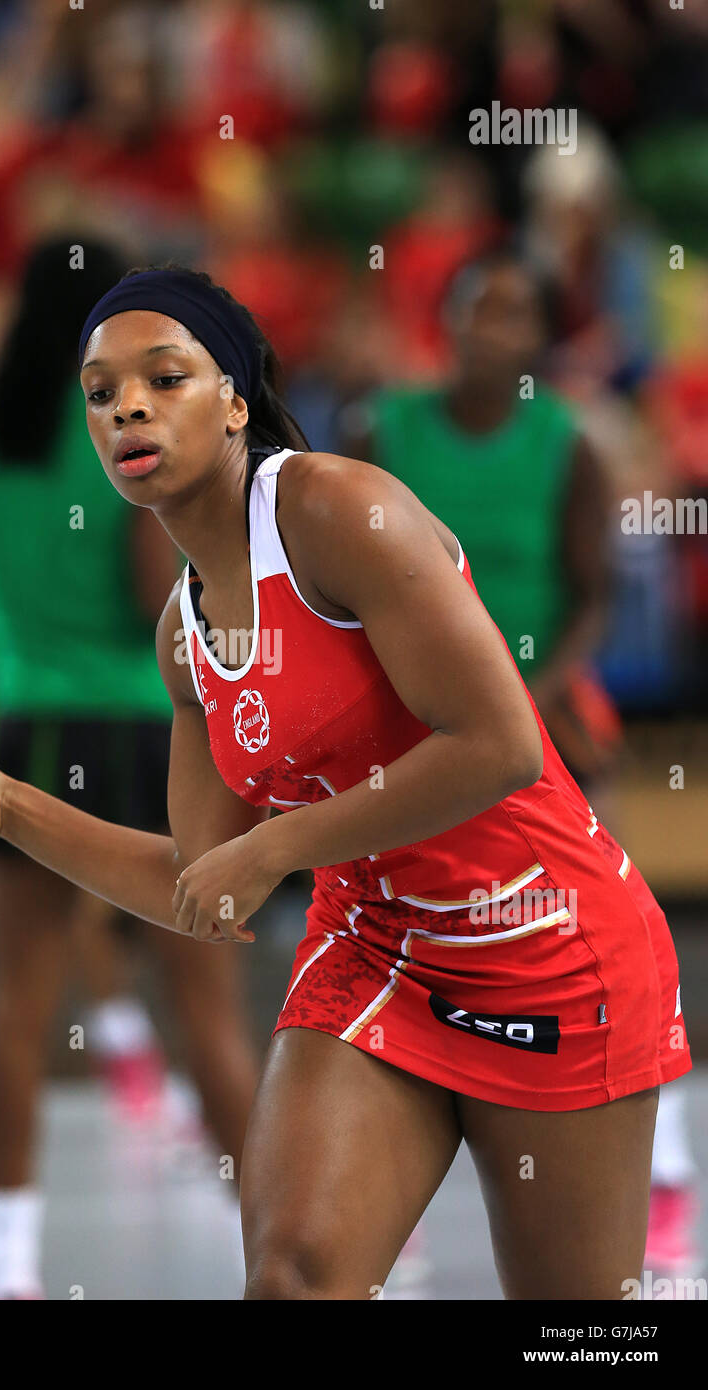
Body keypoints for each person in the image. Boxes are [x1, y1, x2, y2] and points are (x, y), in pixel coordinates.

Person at [0, 263, 691, 1299]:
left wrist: (275, 845)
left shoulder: (333, 508)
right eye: (100, 391)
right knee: (291, 1281)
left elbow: (501, 745)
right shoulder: (183, 635)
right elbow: (202, 887)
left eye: (164, 377)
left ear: (234, 399)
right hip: (375, 952)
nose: (127, 404)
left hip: (545, 943)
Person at [354, 247, 700, 1277]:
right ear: (448, 320)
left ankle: (664, 1161)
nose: (493, 329)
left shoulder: (567, 444)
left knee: (610, 936)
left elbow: (593, 591)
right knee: (397, 924)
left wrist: (533, 697)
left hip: (544, 713)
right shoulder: (387, 430)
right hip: (417, 722)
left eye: (515, 313)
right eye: (477, 308)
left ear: (538, 336)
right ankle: (382, 1167)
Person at [0, 238, 260, 1300]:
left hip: (25, 728)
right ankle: (287, 1242)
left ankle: (6, 1268)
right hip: (147, 727)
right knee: (211, 1008)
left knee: (14, 1010)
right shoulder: (121, 434)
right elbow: (161, 589)